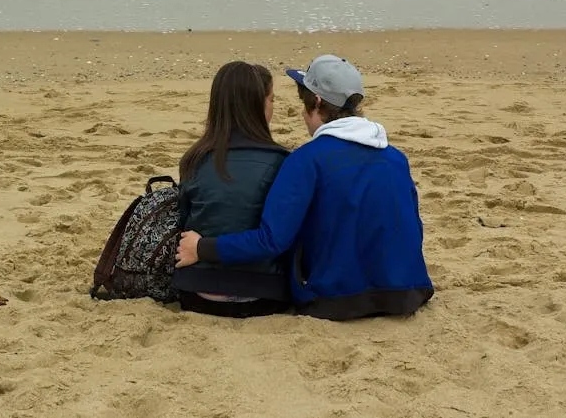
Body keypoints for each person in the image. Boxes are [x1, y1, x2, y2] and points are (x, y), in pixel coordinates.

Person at [175, 54, 434, 321]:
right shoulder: (396, 158)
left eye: (303, 102)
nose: (301, 112)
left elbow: (273, 240)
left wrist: (203, 248)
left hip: (335, 300)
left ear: (317, 102)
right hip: (407, 293)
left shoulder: (306, 160)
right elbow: (414, 226)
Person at [172, 61, 291, 318]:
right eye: (271, 100)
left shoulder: (193, 158)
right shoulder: (282, 161)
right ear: (258, 105)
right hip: (263, 296)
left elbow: (184, 221)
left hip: (198, 294)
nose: (273, 107)